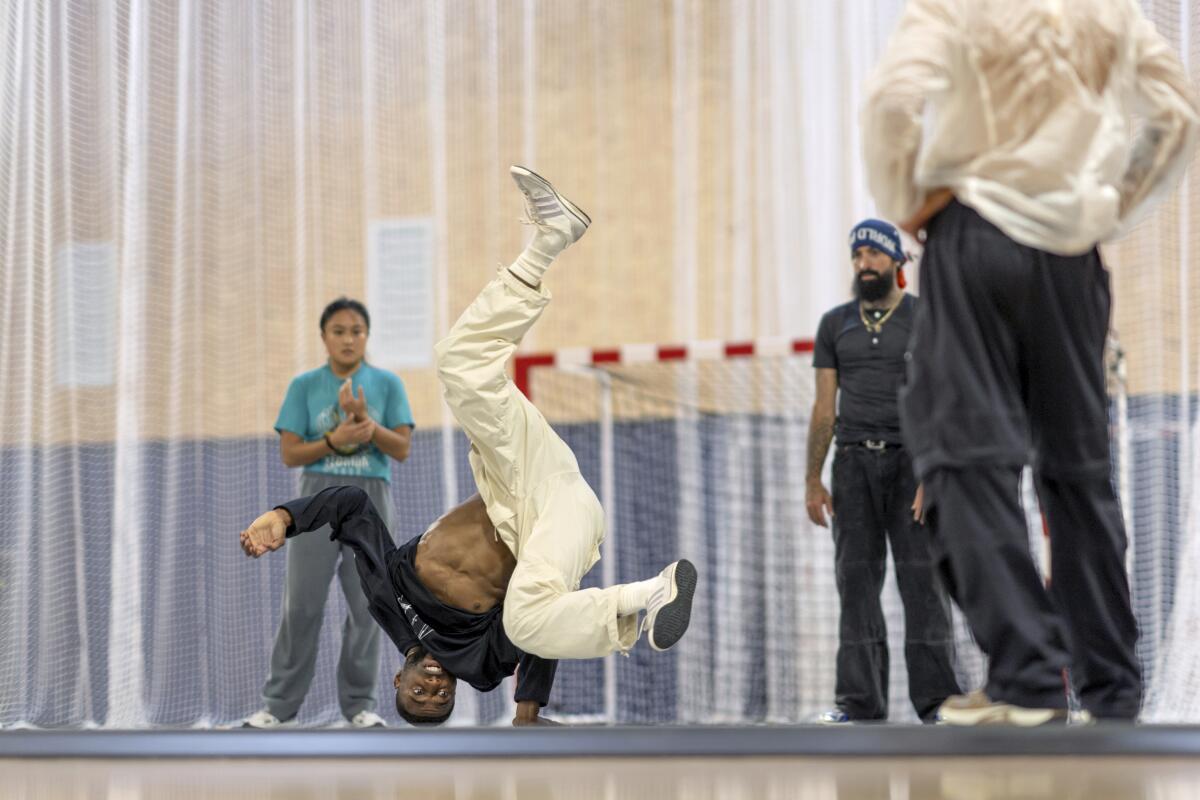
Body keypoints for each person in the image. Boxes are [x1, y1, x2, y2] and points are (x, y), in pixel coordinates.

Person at [241, 165, 697, 726]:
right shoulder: (482, 665)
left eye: (418, 695)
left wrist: (284, 517)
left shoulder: (389, 605)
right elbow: (539, 642)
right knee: (531, 620)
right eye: (441, 698)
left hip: (517, 478)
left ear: (398, 680)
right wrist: (527, 711)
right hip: (557, 526)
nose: (432, 687)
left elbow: (353, 509)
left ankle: (549, 239)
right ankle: (648, 597)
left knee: (459, 364)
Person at [862, 0, 1199, 724]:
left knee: (963, 454)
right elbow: (1178, 111)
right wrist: (1109, 207)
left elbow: (892, 100)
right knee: (1079, 472)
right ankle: (1113, 689)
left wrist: (908, 202)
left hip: (976, 235)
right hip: (1076, 257)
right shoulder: (1109, 11)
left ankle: (1028, 680)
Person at [806, 218, 960, 724]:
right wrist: (813, 479)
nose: (863, 264)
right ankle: (858, 704)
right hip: (851, 465)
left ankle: (937, 702)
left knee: (923, 586)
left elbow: (942, 395)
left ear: (896, 261)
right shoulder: (835, 324)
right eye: (857, 256)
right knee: (855, 584)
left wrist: (931, 472)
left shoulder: (924, 317)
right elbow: (824, 407)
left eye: (873, 254)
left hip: (911, 465)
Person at [242, 298, 415, 728]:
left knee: (367, 607)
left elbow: (403, 448)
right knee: (301, 606)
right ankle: (278, 708)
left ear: (367, 336)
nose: (348, 338)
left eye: (356, 330)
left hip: (371, 498)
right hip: (315, 499)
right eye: (338, 330)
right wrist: (336, 440)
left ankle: (360, 706)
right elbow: (290, 453)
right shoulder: (304, 385)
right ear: (324, 337)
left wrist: (367, 426)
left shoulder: (388, 384)